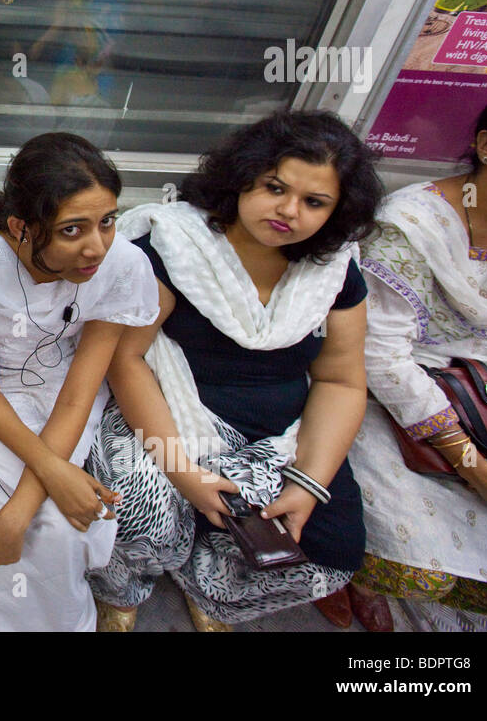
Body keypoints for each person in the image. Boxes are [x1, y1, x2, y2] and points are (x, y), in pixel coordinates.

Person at [90, 111, 380, 630]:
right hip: (171, 411)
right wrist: (185, 473)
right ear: (244, 176)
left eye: (314, 202)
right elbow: (126, 359)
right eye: (275, 187)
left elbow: (341, 380)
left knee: (332, 553)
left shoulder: (334, 270)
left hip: (278, 430)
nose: (289, 211)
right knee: (139, 515)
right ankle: (122, 589)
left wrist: (309, 481)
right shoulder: (175, 246)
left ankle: (213, 588)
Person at [0, 132, 159, 631]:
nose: (97, 247)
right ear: (21, 226)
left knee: (56, 527)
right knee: (49, 532)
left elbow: (79, 394)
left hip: (67, 403)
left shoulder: (123, 264)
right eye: (72, 230)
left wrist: (22, 508)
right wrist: (50, 475)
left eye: (107, 221)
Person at [348, 86, 487, 629]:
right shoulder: (411, 224)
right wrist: (477, 469)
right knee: (414, 559)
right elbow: (381, 358)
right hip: (396, 389)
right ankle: (353, 573)